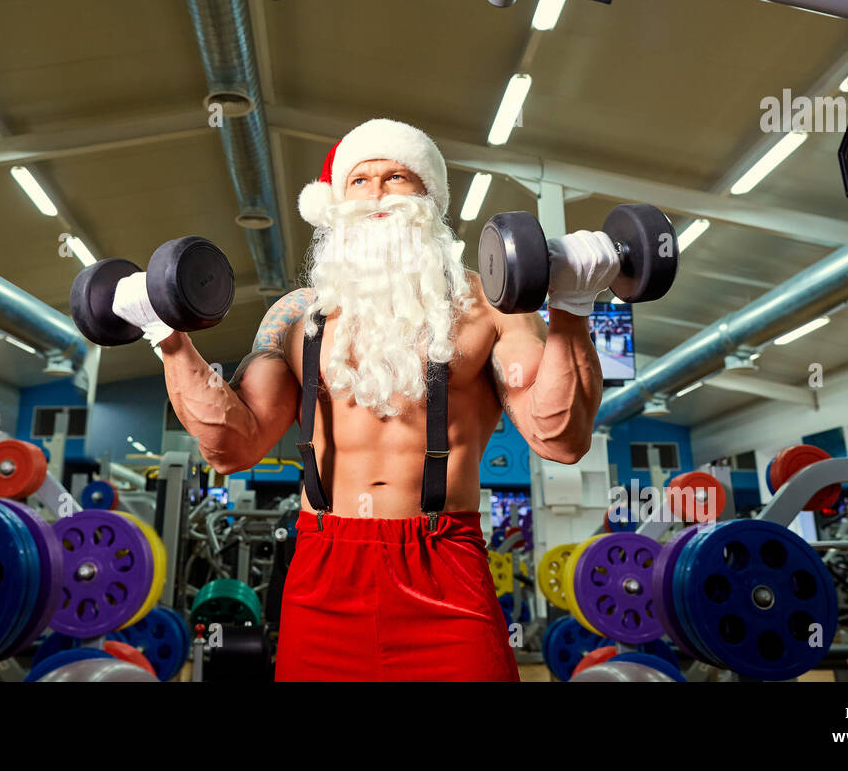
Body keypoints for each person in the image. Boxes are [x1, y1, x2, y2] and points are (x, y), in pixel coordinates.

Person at [111, 118, 615, 681]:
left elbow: (560, 439)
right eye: (360, 180)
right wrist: (166, 335)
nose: (377, 193)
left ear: (430, 198)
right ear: (337, 202)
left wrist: (572, 308)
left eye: (397, 176)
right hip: (324, 568)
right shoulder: (299, 316)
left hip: (445, 564)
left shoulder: (491, 307)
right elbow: (232, 447)